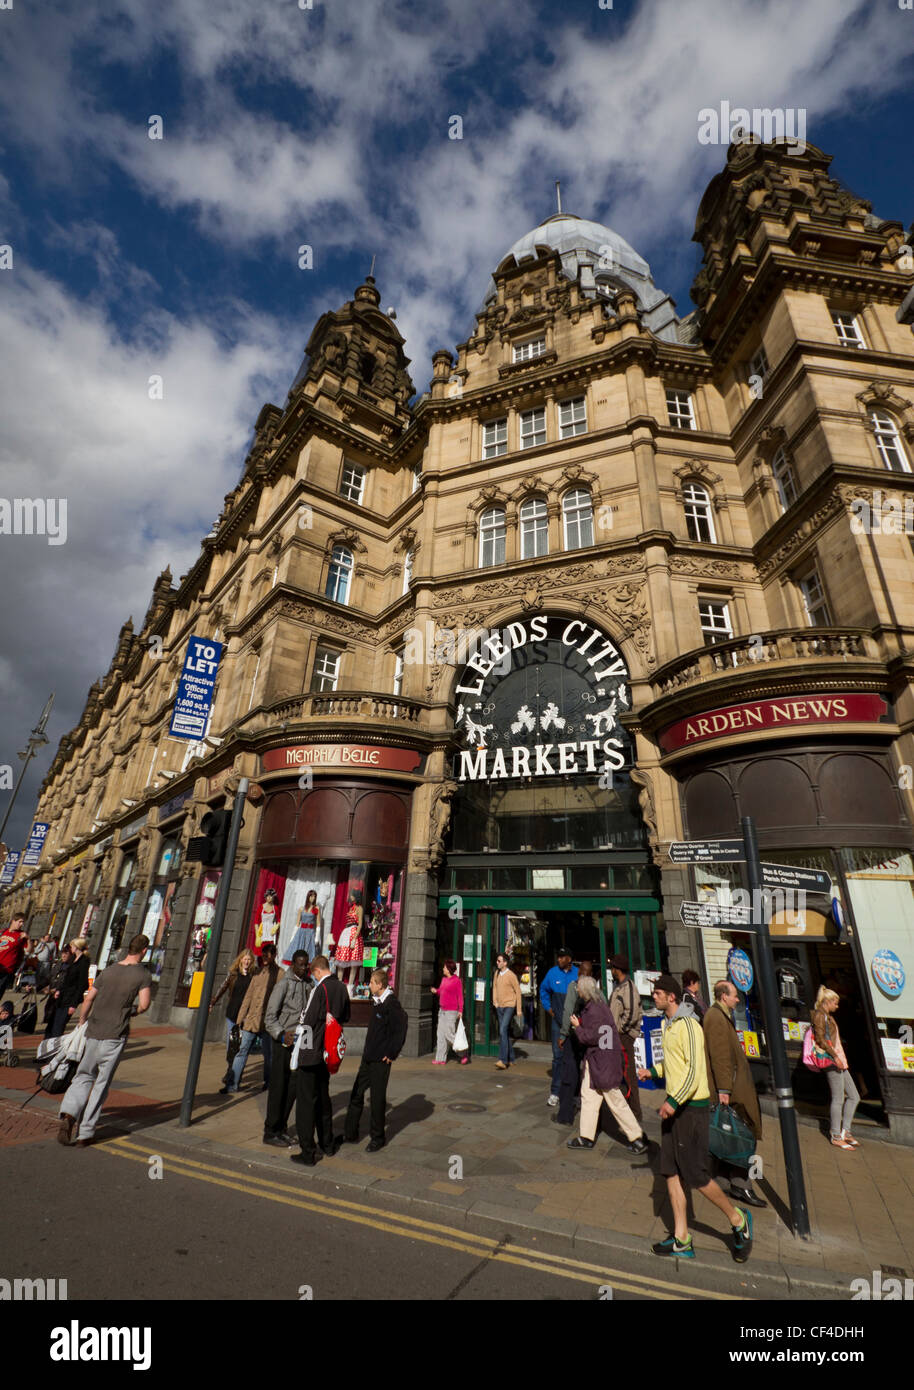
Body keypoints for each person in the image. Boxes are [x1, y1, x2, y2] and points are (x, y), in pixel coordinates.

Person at [638, 975, 752, 1265]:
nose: (655, 996)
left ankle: (738, 1220)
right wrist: (654, 1071)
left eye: (660, 992)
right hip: (673, 1110)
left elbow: (694, 1071)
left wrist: (673, 1101)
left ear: (673, 997)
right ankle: (682, 1239)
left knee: (697, 1176)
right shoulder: (669, 1024)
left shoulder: (689, 1025)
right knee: (670, 1172)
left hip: (690, 1109)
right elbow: (676, 1064)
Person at [56, 935, 152, 1147]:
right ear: (144, 951)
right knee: (101, 1084)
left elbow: (89, 998)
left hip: (94, 1030)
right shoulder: (143, 974)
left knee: (83, 1076)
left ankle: (69, 1115)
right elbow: (144, 1005)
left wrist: (82, 1021)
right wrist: (130, 1012)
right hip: (115, 1035)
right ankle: (85, 1133)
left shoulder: (108, 970)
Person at [566, 975, 648, 1154]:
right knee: (589, 1096)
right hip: (598, 1061)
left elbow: (592, 1037)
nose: (577, 991)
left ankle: (637, 1138)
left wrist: (577, 1026)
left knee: (615, 1100)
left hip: (601, 1062)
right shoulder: (598, 1007)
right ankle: (586, 1137)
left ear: (585, 991)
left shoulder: (594, 1011)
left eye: (579, 988)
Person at [704, 979, 766, 1208]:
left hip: (733, 1086)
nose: (737, 999)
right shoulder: (716, 1017)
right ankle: (742, 1185)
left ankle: (724, 1179)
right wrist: (724, 1090)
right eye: (734, 995)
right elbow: (720, 1057)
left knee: (730, 1134)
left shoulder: (720, 1016)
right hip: (731, 1090)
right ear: (723, 996)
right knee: (742, 1134)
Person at [290, 955, 351, 1167]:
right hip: (328, 1054)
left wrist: (301, 1054)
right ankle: (327, 1143)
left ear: (317, 971)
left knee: (306, 1104)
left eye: (313, 974)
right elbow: (346, 1017)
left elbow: (307, 1023)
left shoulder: (319, 990)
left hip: (312, 1053)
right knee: (323, 1099)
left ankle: (308, 1151)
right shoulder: (342, 988)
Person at [343, 968, 408, 1150]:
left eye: (371, 982)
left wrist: (392, 1052)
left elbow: (401, 1028)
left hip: (380, 1060)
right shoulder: (377, 1002)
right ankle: (350, 1133)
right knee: (356, 1094)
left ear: (380, 985)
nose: (369, 985)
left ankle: (377, 1138)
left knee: (377, 1100)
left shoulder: (391, 1004)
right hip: (368, 1058)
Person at [263, 950, 312, 1146]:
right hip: (283, 1042)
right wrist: (282, 1034)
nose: (304, 968)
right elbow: (269, 1018)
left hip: (300, 1043)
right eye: (300, 964)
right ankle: (270, 1131)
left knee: (292, 1087)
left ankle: (281, 1127)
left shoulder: (309, 984)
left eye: (306, 964)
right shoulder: (283, 984)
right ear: (293, 964)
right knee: (278, 1086)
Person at [226, 942, 281, 1094]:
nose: (264, 958)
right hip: (251, 1020)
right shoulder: (257, 972)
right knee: (241, 1051)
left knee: (268, 1054)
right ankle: (233, 1084)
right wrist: (239, 1020)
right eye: (263, 955)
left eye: (267, 955)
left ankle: (268, 1082)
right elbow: (248, 997)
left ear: (274, 955)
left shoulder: (279, 973)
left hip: (267, 1022)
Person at [811, 985, 860, 1149]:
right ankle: (836, 1135)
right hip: (832, 1061)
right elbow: (821, 1040)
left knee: (854, 1096)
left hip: (839, 1060)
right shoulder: (820, 1016)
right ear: (828, 1001)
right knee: (838, 1098)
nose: (837, 1006)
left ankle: (846, 1131)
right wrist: (835, 1056)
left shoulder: (827, 1016)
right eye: (835, 1003)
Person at [554, 960, 602, 1127]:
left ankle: (565, 1115)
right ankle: (596, 1117)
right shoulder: (597, 991)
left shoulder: (575, 987)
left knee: (570, 1072)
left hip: (575, 1036)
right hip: (592, 1038)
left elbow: (568, 1011)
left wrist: (563, 1034)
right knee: (592, 1074)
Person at [210, 949, 256, 1082]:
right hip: (232, 1013)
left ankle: (236, 1074)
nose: (246, 962)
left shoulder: (253, 976)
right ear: (240, 959)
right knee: (231, 1044)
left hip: (245, 1016)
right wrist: (213, 1002)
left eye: (249, 959)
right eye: (244, 959)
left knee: (241, 1046)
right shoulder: (233, 974)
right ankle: (230, 1070)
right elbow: (223, 988)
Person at [540, 948, 579, 1106]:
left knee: (576, 1057)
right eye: (558, 956)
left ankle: (575, 1092)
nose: (559, 959)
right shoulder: (552, 973)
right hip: (557, 1023)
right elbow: (543, 990)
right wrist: (549, 1009)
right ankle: (555, 1091)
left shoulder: (577, 973)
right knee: (558, 1057)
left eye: (562, 957)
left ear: (569, 958)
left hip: (575, 1023)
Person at [608, 954, 643, 1125]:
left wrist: (621, 1030)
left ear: (617, 969)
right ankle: (624, 1112)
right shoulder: (619, 987)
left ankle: (635, 1114)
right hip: (616, 1036)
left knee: (629, 1075)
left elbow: (632, 1013)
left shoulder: (628, 988)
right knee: (619, 1075)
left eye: (612, 968)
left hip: (624, 1037)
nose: (611, 971)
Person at [49, 939, 90, 1039]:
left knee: (60, 1025)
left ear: (76, 947)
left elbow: (82, 984)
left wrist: (73, 1004)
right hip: (63, 996)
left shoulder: (84, 961)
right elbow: (66, 979)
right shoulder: (73, 959)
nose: (70, 948)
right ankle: (51, 1043)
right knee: (54, 1022)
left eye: (72, 946)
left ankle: (56, 1045)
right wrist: (59, 990)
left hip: (71, 998)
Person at [431, 960, 466, 1065]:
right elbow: (441, 991)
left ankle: (462, 1053)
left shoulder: (457, 981)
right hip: (442, 1011)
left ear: (449, 969)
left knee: (449, 1034)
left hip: (451, 1011)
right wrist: (436, 991)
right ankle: (440, 1058)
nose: (443, 969)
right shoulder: (444, 979)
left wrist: (460, 1010)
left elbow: (460, 996)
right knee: (440, 1035)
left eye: (445, 967)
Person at [492, 952, 523, 1070]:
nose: (497, 963)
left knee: (502, 1029)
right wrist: (495, 1001)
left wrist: (519, 1009)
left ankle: (503, 1060)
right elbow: (494, 987)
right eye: (497, 961)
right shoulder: (497, 973)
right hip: (499, 1006)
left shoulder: (511, 975)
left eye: (499, 961)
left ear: (505, 963)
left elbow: (518, 991)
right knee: (504, 1032)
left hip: (509, 1005)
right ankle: (511, 1058)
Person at [44, 944, 74, 1037]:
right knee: (49, 1026)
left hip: (64, 1001)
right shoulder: (59, 964)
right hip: (52, 1000)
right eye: (62, 953)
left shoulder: (73, 968)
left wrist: (57, 990)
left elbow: (70, 984)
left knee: (57, 1028)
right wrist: (36, 986)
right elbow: (49, 977)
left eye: (66, 953)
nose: (63, 955)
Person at [284, 890, 320, 965]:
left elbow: (318, 924)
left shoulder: (316, 909)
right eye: (311, 896)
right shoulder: (301, 909)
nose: (312, 898)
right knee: (298, 949)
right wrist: (293, 936)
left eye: (314, 896)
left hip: (310, 933)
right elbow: (297, 924)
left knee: (308, 951)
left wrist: (317, 937)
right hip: (301, 932)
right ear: (308, 897)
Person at [0, 915, 29, 1001]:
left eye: (23, 922)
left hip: (6, 970)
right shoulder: (2, 932)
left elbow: (29, 950)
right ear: (13, 921)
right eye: (20, 921)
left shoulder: (21, 935)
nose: (21, 924)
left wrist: (28, 939)